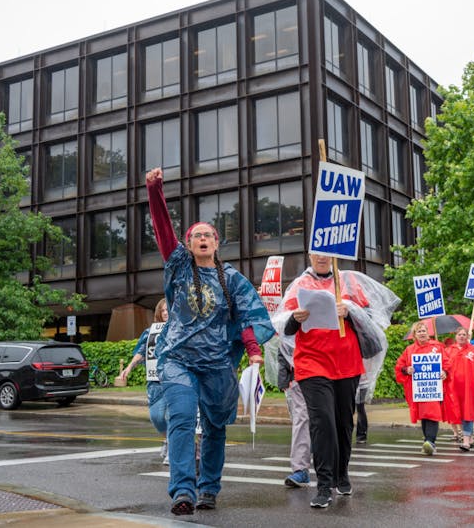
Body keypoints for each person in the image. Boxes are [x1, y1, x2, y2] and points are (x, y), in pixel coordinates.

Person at [145, 167, 275, 515]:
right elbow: (162, 228)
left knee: (216, 428)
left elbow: (247, 316)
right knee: (183, 420)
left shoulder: (231, 278)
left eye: (208, 235)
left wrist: (254, 353)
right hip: (178, 360)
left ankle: (208, 489)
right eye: (196, 235)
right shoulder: (178, 266)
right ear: (188, 244)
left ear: (216, 243)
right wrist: (154, 190)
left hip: (217, 364)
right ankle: (182, 492)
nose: (202, 238)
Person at [276, 253, 399, 509]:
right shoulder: (299, 285)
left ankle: (342, 473)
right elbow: (284, 329)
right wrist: (295, 319)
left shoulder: (350, 283)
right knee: (323, 423)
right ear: (310, 255)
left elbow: (373, 320)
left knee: (344, 423)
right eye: (317, 252)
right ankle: (323, 485)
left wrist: (350, 310)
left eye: (327, 253)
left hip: (346, 363)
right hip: (311, 364)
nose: (322, 257)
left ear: (336, 256)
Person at [118, 298, 169, 462]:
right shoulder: (150, 332)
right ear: (159, 313)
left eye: (169, 309)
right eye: (163, 310)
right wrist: (129, 367)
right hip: (155, 383)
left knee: (175, 416)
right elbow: (141, 351)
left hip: (175, 381)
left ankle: (174, 448)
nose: (166, 313)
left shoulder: (180, 330)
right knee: (157, 418)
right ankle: (168, 439)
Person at [395, 321, 449, 455]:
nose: (422, 333)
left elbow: (448, 363)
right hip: (418, 389)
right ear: (414, 335)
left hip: (434, 388)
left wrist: (445, 372)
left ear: (428, 332)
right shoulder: (409, 350)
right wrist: (407, 369)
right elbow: (399, 366)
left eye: (424, 330)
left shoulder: (438, 347)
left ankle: (430, 442)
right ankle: (428, 441)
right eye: (419, 331)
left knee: (432, 413)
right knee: (424, 415)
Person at [275, 337, 311, 489]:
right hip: (300, 376)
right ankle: (300, 468)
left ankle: (337, 470)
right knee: (301, 419)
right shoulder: (293, 315)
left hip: (328, 375)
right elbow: (284, 345)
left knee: (327, 420)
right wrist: (284, 378)